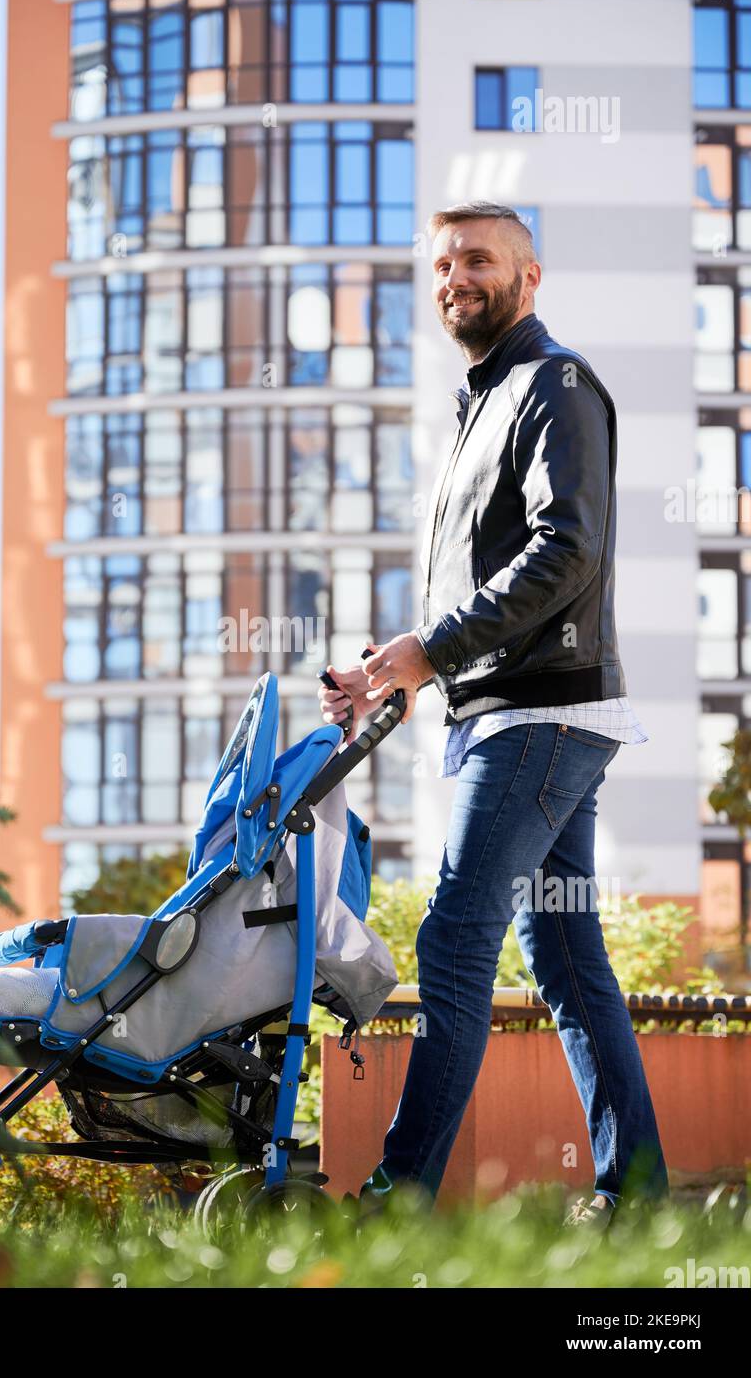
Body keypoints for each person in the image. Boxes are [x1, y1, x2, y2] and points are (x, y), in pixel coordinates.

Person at [318, 200, 668, 1227]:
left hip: (542, 715)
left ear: (529, 275)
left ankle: (399, 1191)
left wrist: (434, 650)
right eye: (441, 264)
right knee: (564, 956)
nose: (454, 278)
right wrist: (402, 666)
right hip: (523, 712)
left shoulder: (553, 384)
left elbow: (572, 550)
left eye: (478, 259)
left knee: (456, 936)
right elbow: (498, 575)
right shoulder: (486, 401)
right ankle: (636, 1190)